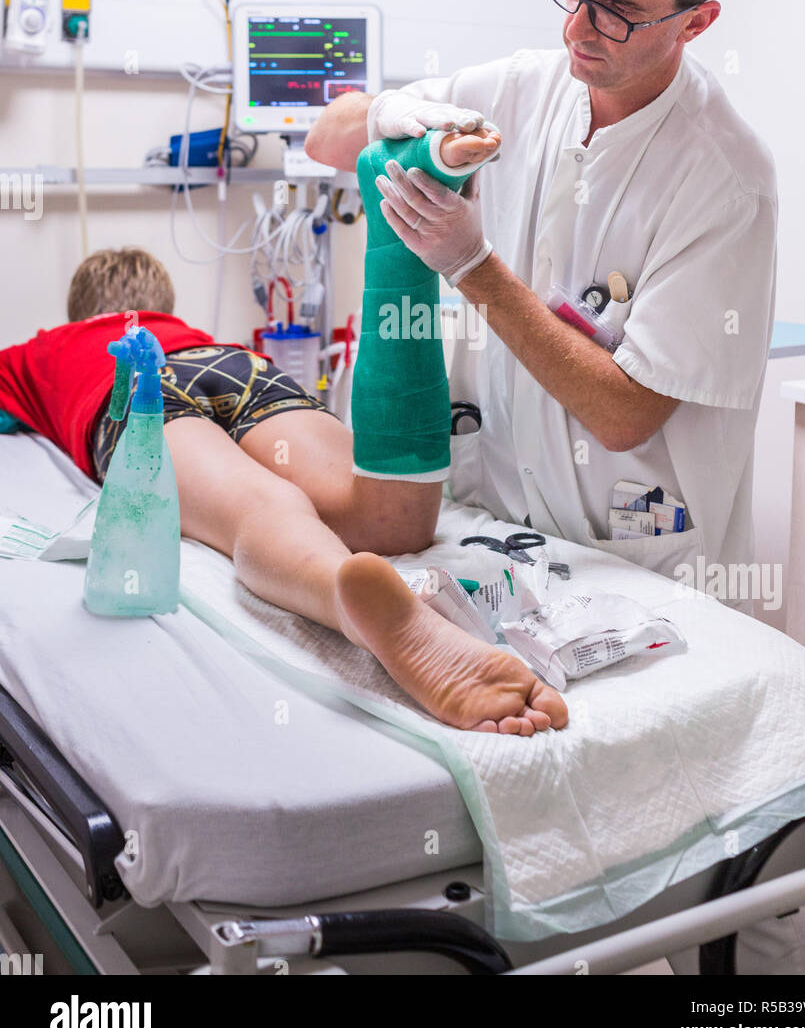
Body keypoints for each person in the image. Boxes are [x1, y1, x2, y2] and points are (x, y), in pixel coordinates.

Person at [304, 0, 805, 973]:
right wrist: (399, 111)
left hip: (648, 565)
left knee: (738, 864)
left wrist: (475, 265)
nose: (579, 27)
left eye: (617, 10)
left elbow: (627, 409)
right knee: (568, 851)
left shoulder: (722, 175)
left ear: (695, 19)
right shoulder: (525, 85)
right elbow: (324, 136)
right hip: (509, 538)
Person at [0, 235, 567, 740]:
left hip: (137, 388)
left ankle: (345, 600)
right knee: (383, 514)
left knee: (262, 506)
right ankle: (382, 553)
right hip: (237, 367)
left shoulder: (50, 347)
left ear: (79, 310)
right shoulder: (196, 332)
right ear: (163, 305)